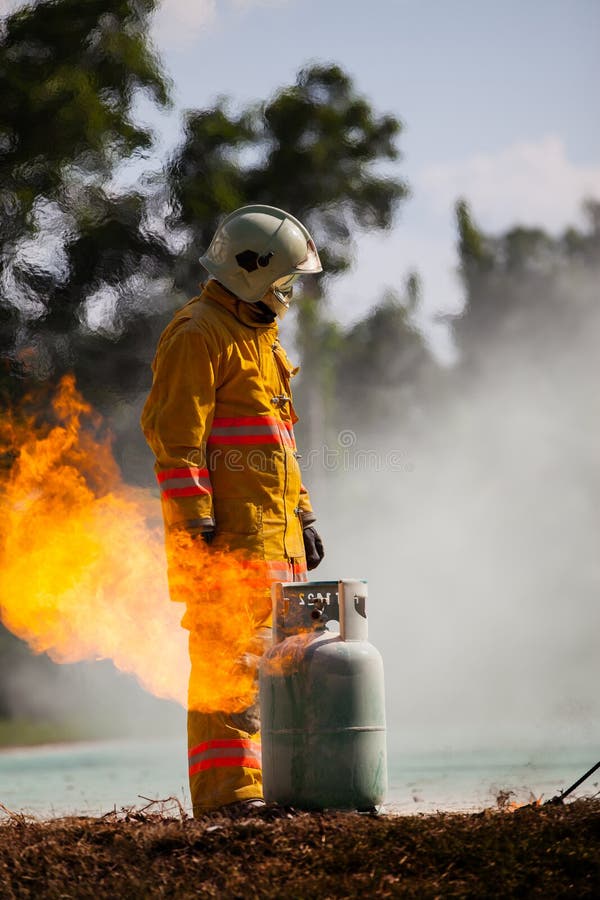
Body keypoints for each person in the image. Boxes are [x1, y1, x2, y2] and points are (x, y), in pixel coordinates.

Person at [141, 205, 325, 816]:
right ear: (254, 271)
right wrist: (197, 526)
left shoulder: (259, 338)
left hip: (275, 545)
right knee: (231, 667)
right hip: (228, 545)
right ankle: (230, 800)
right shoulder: (199, 333)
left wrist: (304, 514)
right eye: (283, 281)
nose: (289, 294)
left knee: (284, 671)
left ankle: (282, 789)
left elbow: (278, 443)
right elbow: (177, 439)